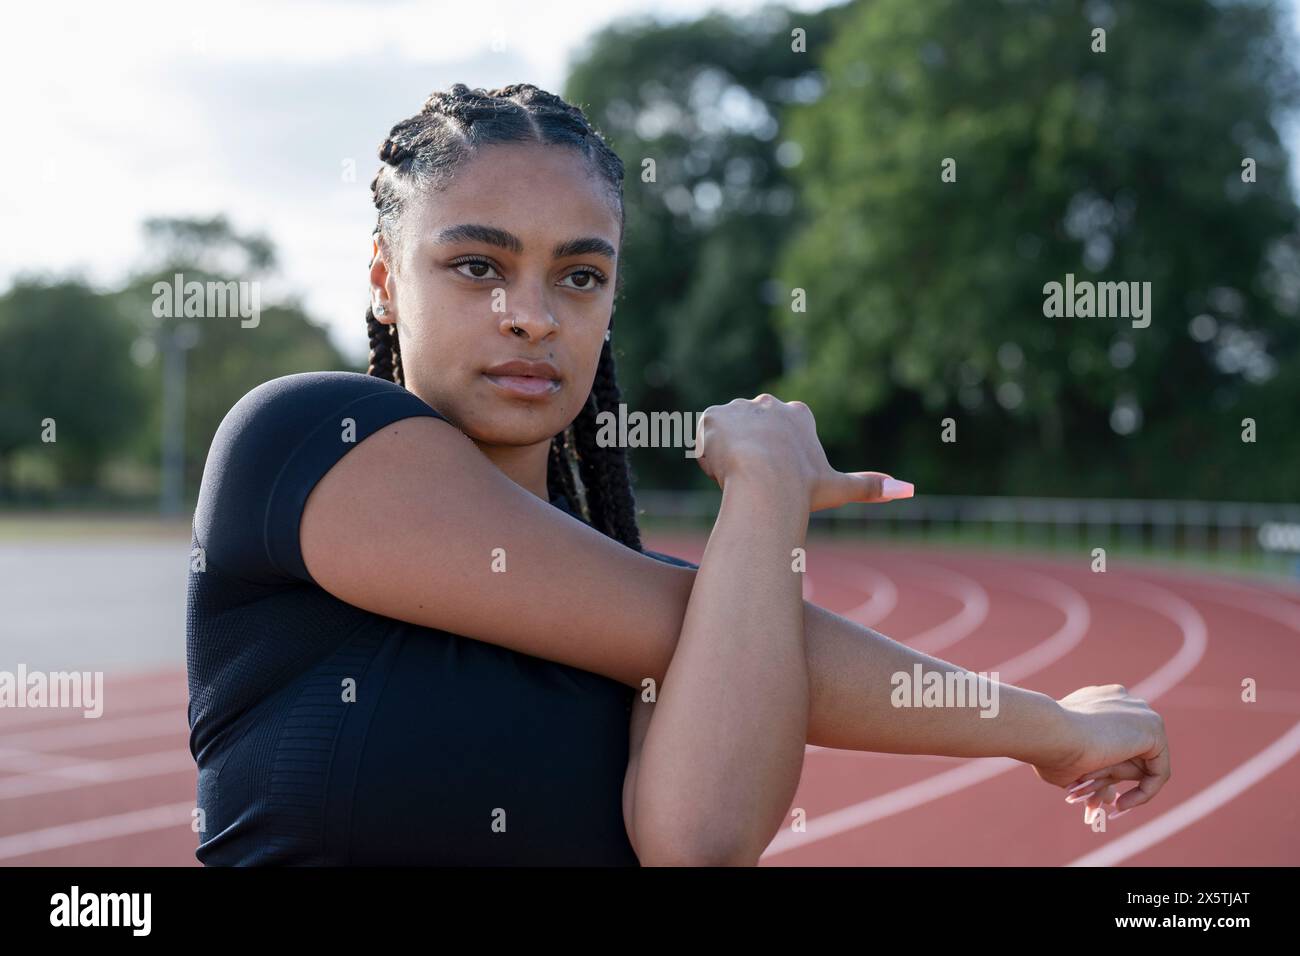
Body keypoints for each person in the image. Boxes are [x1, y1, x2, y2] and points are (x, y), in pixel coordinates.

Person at [186, 82, 1169, 866]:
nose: (531, 313)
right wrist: (1048, 726)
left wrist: (765, 494)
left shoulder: (684, 635)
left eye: (580, 275)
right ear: (382, 280)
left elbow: (700, 844)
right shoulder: (308, 438)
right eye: (477, 266)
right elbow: (698, 620)